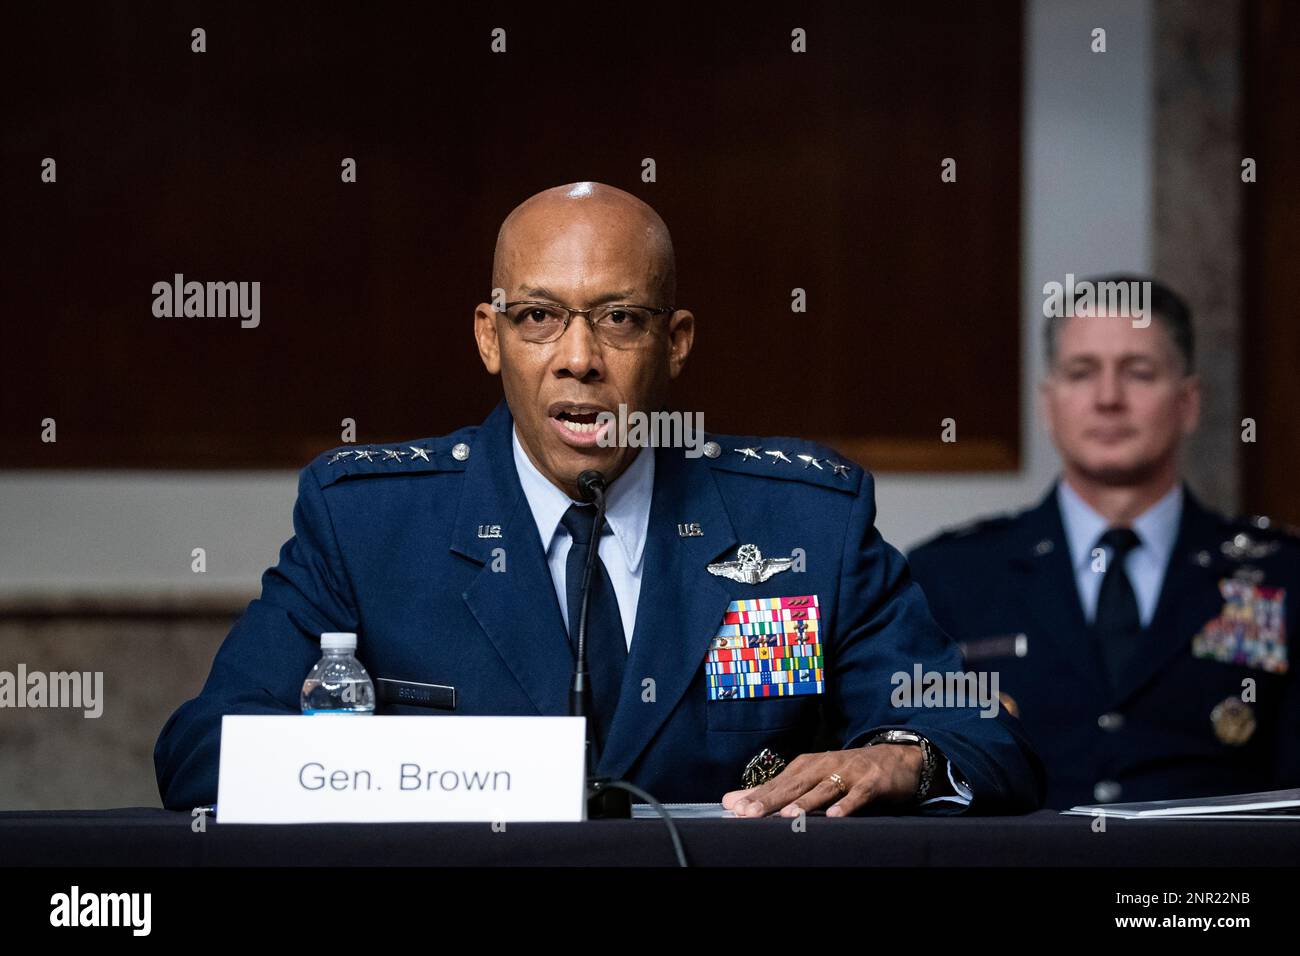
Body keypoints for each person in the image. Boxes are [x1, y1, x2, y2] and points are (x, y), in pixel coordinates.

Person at [155, 182, 1043, 817]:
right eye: (538, 316)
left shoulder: (807, 519)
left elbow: (981, 735)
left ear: (676, 342)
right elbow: (201, 752)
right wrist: (416, 773)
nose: (577, 356)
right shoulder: (368, 523)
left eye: (617, 317)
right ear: (489, 337)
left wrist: (905, 761)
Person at [909, 277, 1299, 809]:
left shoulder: (1282, 575)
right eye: (1081, 372)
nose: (1109, 398)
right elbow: (919, 777)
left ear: (1188, 402)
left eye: (1138, 373)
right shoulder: (949, 577)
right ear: (1049, 404)